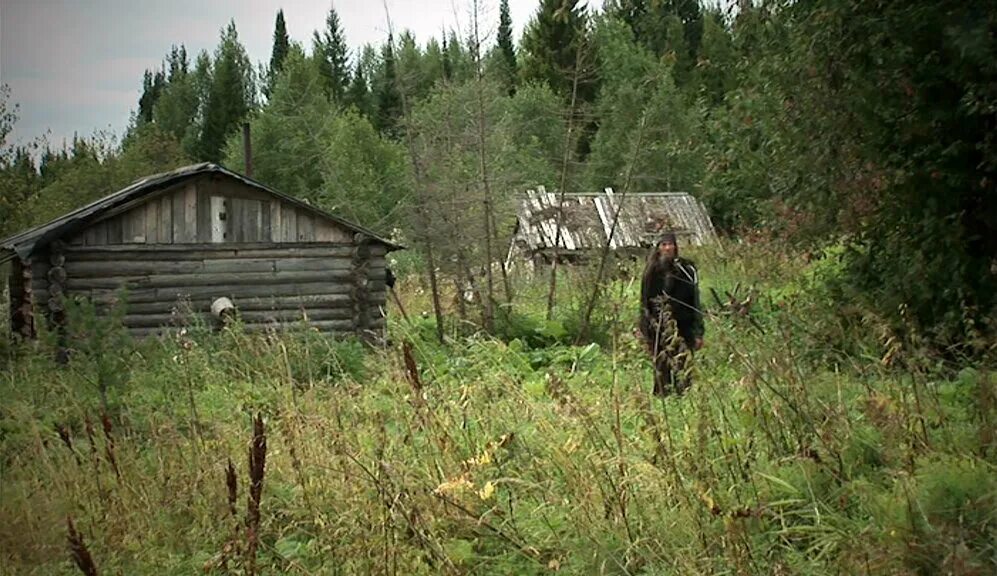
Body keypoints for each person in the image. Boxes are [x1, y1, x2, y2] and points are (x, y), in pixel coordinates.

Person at [639, 232, 705, 397]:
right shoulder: (651, 272)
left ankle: (684, 396)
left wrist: (698, 332)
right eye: (664, 245)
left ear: (676, 247)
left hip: (684, 326)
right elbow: (644, 303)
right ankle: (664, 398)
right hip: (659, 328)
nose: (668, 248)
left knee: (684, 366)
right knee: (662, 368)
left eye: (670, 244)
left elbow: (695, 302)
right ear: (659, 248)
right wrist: (645, 331)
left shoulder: (686, 270)